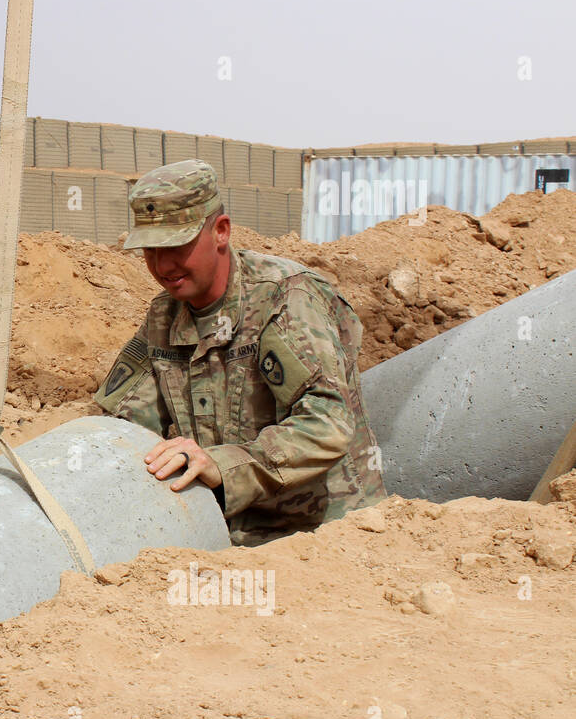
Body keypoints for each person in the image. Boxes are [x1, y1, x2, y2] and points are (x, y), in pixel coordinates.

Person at [94, 159, 386, 545]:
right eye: (150, 249)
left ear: (221, 231)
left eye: (176, 245)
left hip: (324, 537)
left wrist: (223, 463)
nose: (163, 265)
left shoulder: (284, 297)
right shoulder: (163, 317)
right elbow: (124, 425)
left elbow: (328, 422)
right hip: (227, 534)